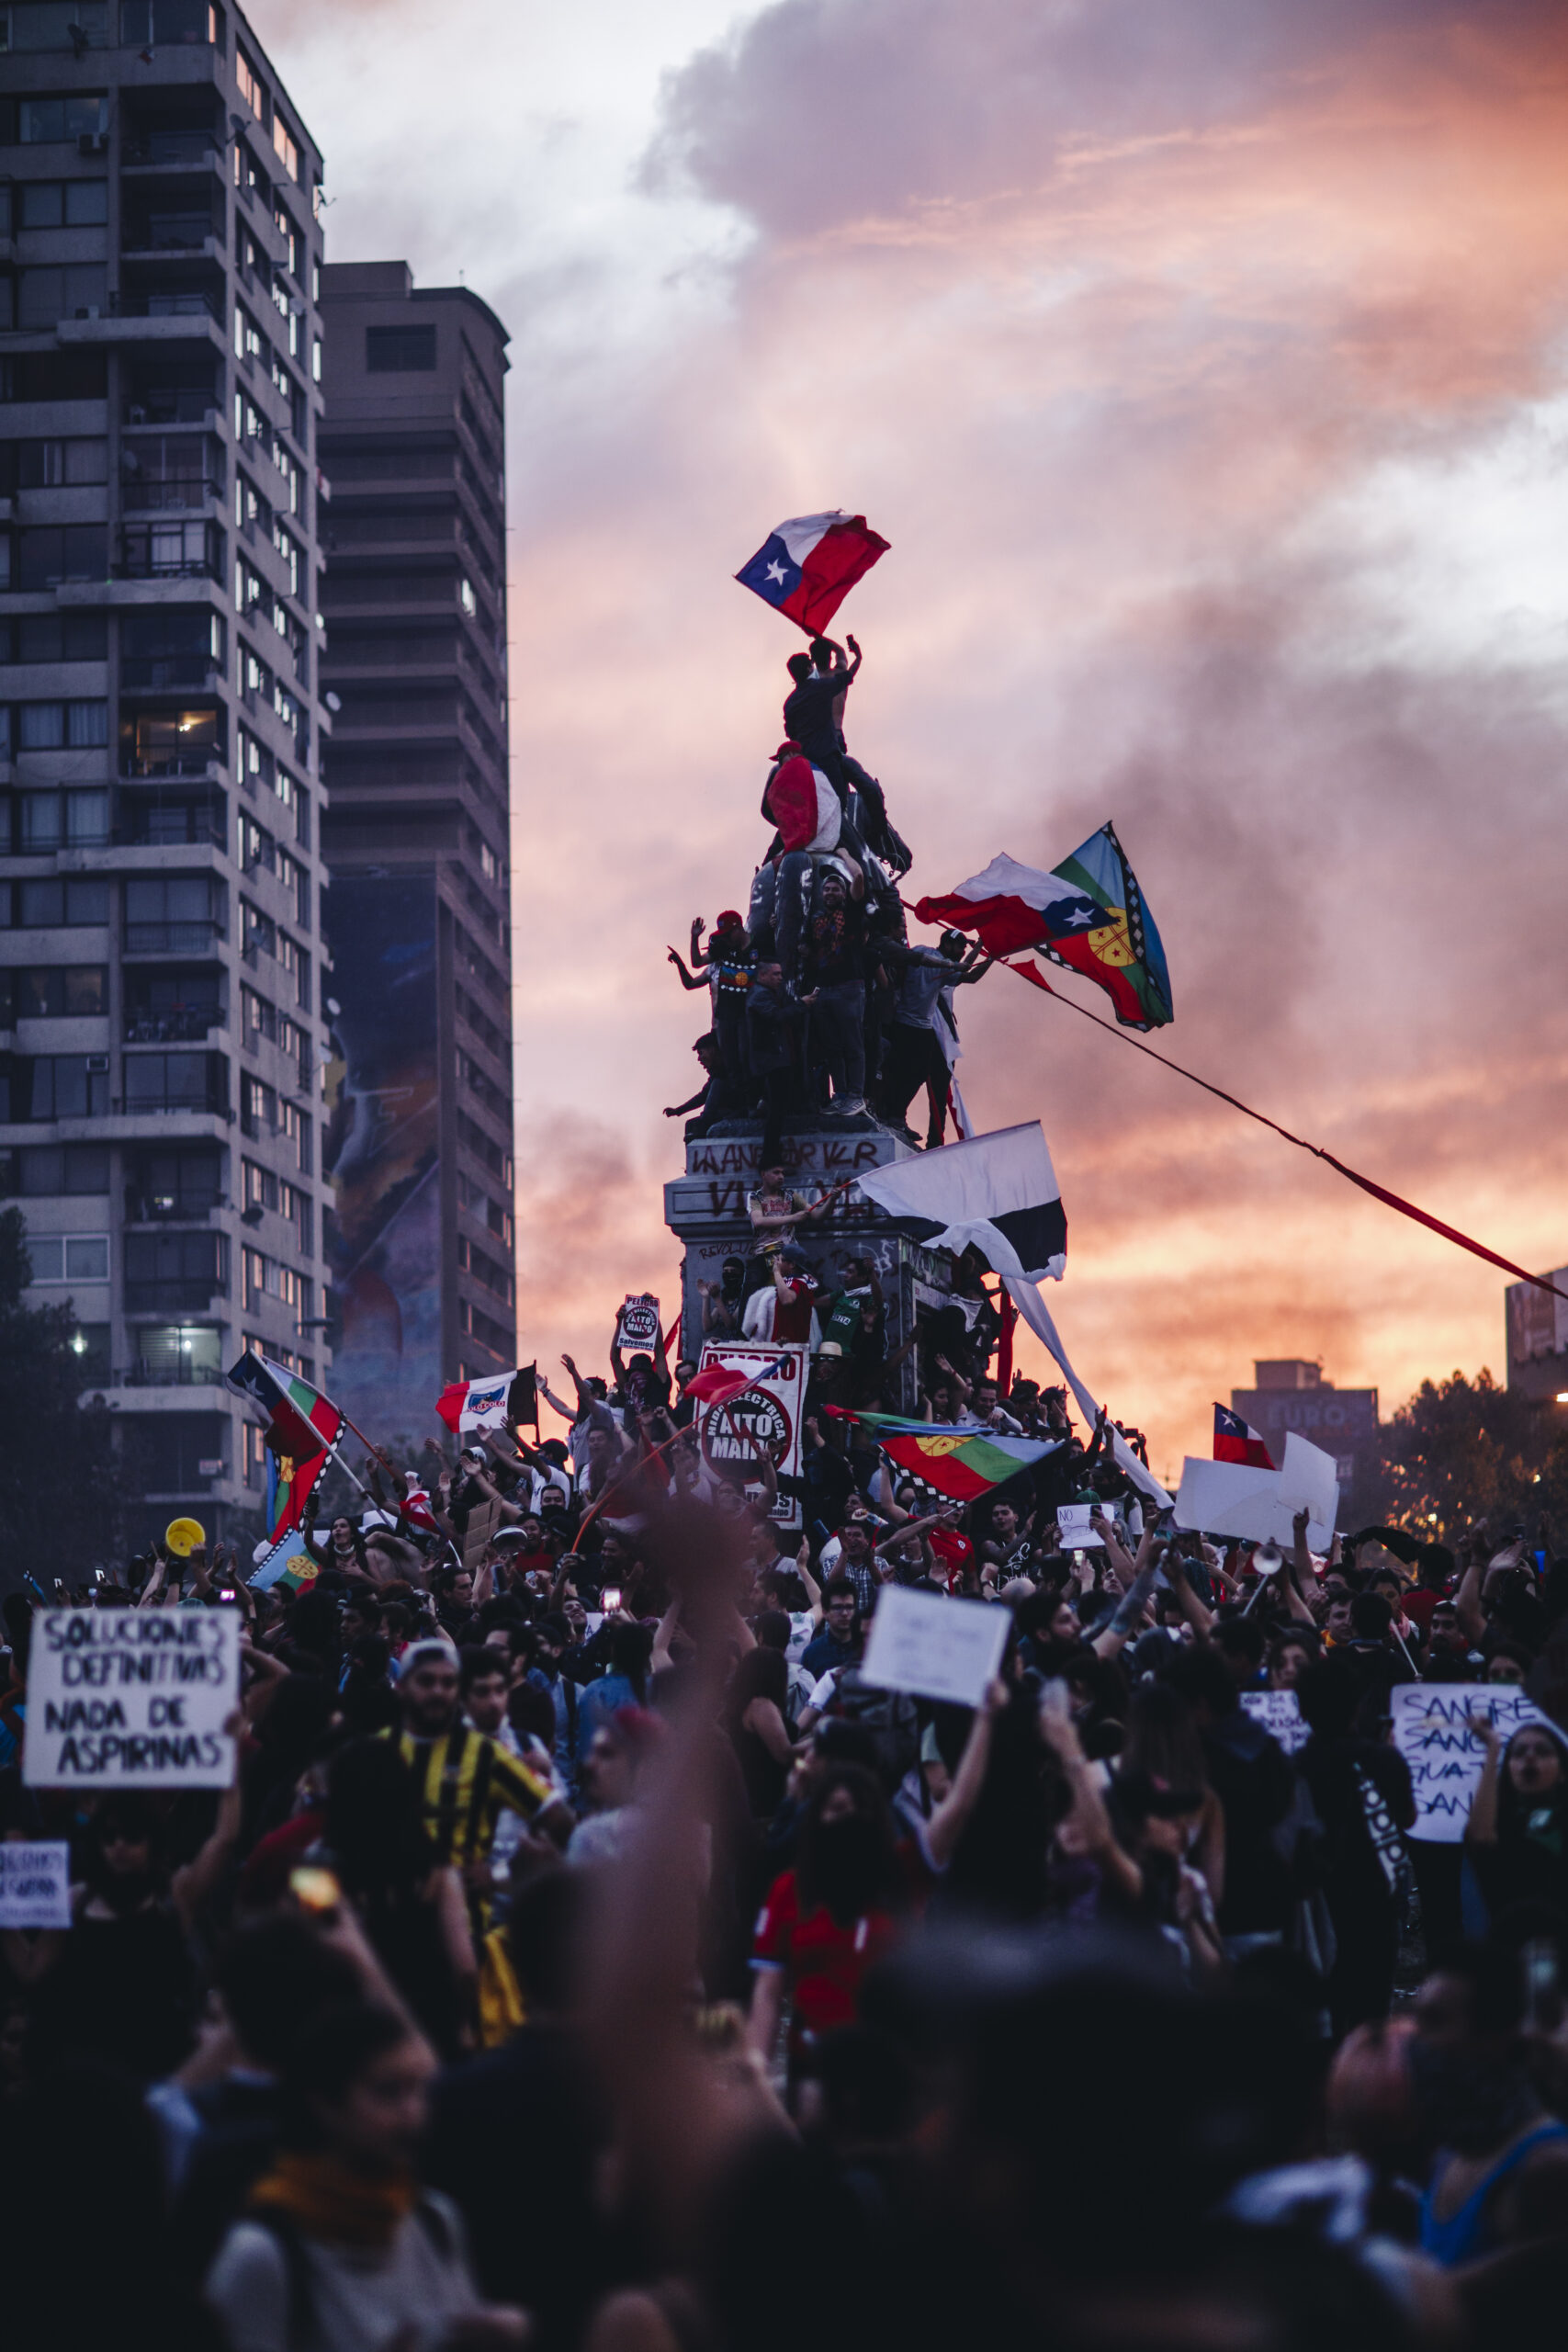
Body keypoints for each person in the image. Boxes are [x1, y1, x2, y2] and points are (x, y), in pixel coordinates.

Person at [206, 2001, 526, 2351]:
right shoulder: (264, 2255)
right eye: (389, 2093)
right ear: (324, 2104)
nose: (412, 2115)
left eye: (419, 2090)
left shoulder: (433, 2220)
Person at [383, 1644, 571, 1927]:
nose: (437, 1692)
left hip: (479, 1922)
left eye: (447, 1683)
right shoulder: (379, 1749)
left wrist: (501, 1875)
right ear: (401, 1687)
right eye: (426, 1682)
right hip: (390, 1924)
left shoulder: (490, 1754)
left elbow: (561, 1819)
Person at [747, 1763, 903, 2073]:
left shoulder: (901, 1881)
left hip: (884, 2067)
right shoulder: (789, 1890)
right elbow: (768, 1991)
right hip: (811, 2064)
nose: (849, 1820)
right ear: (818, 1816)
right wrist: (754, 2070)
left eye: (859, 1811)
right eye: (838, 1809)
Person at [876, 929, 990, 1147]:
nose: (962, 952)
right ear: (948, 945)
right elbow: (970, 975)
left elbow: (962, 965)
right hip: (919, 1028)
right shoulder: (944, 970)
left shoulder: (920, 951)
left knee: (900, 1071)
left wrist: (977, 949)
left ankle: (894, 1114)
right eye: (961, 948)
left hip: (900, 1022)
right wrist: (992, 957)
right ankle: (896, 1115)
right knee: (917, 1074)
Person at [1464, 1715, 1568, 1923]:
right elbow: (1480, 1841)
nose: (1529, 1757)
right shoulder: (1500, 1821)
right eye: (1518, 1753)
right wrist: (1493, 1748)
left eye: (1542, 1751)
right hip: (1511, 1943)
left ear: (1563, 1771)